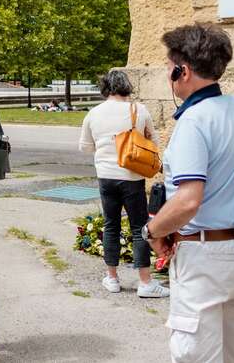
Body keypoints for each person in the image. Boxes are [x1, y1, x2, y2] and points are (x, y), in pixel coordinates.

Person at [143, 23, 234, 362]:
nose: (167, 74)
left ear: (184, 71)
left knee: (194, 353)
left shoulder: (195, 121)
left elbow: (188, 200)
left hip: (204, 253)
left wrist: (152, 231)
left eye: (169, 67)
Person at [78, 69, 170, 298]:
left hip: (106, 176)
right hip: (132, 176)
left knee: (111, 225)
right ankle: (145, 282)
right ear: (126, 86)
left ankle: (112, 278)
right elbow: (154, 142)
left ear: (105, 88)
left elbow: (85, 147)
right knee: (140, 228)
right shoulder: (138, 110)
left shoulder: (94, 113)